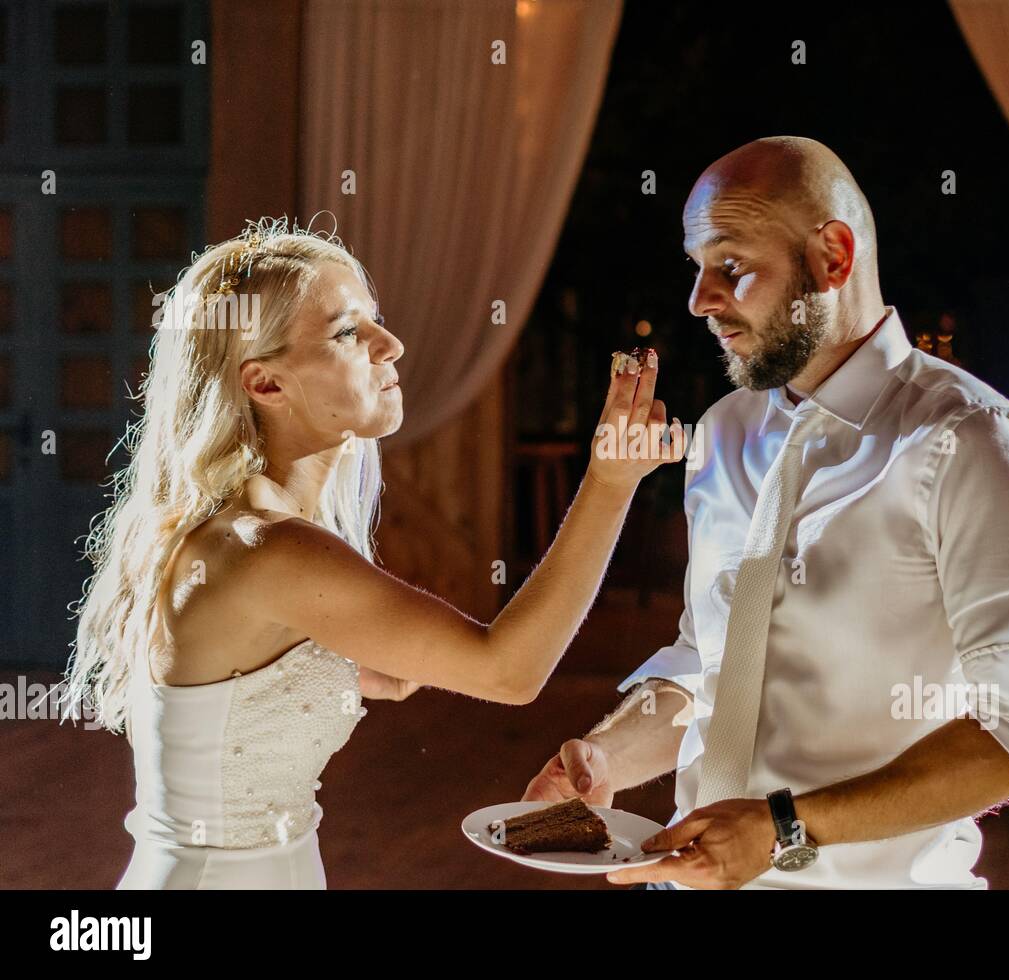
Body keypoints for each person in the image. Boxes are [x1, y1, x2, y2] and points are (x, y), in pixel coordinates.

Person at [522, 137, 1009, 889]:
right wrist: (608, 755)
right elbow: (711, 662)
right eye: (696, 269)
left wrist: (784, 828)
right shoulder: (724, 432)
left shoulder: (971, 440)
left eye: (729, 265)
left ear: (833, 255)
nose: (699, 300)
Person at [62, 217, 684, 889]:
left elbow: (227, 698)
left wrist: (337, 673)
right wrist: (610, 482)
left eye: (375, 319)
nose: (392, 345)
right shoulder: (271, 550)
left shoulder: (233, 531)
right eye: (347, 333)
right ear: (266, 384)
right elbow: (510, 672)